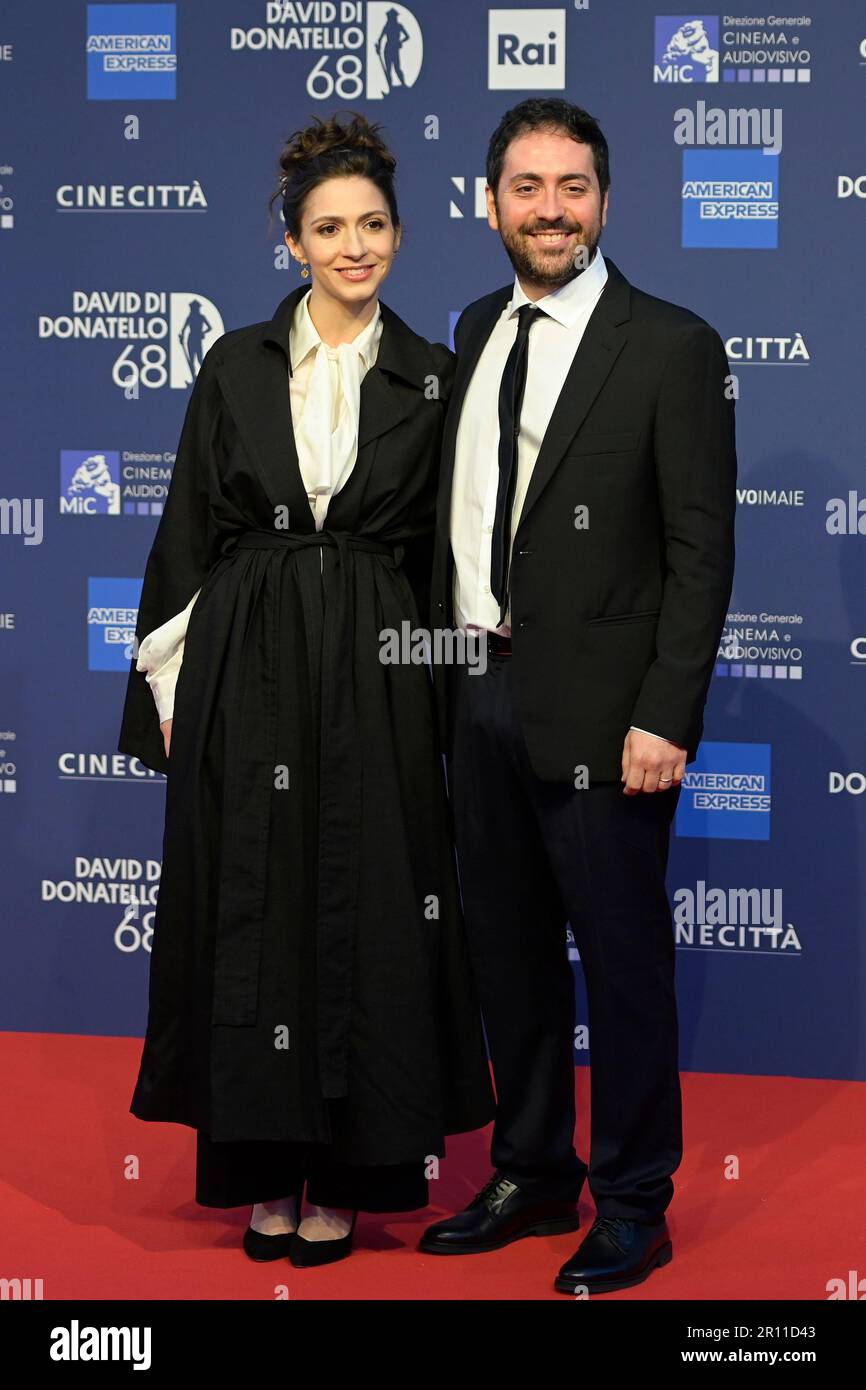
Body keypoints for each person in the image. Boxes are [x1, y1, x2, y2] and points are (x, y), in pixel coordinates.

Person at [117, 111, 495, 1268]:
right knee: (256, 903)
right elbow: (189, 531)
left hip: (380, 668)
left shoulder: (434, 374)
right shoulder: (232, 361)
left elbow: (450, 555)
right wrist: (171, 694)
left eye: (371, 223)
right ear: (289, 240)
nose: (352, 245)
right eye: (327, 227)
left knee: (372, 904)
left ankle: (347, 1174)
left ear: (400, 232)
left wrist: (450, 703)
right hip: (250, 659)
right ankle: (260, 1172)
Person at [420, 98, 737, 1295]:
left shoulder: (669, 343)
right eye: (525, 186)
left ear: (604, 201)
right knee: (506, 957)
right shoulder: (469, 329)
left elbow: (699, 552)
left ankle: (632, 1199)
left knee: (621, 964)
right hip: (478, 694)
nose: (548, 209)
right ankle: (533, 1166)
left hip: (611, 719)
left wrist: (664, 712)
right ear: (489, 200)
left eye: (571, 187)